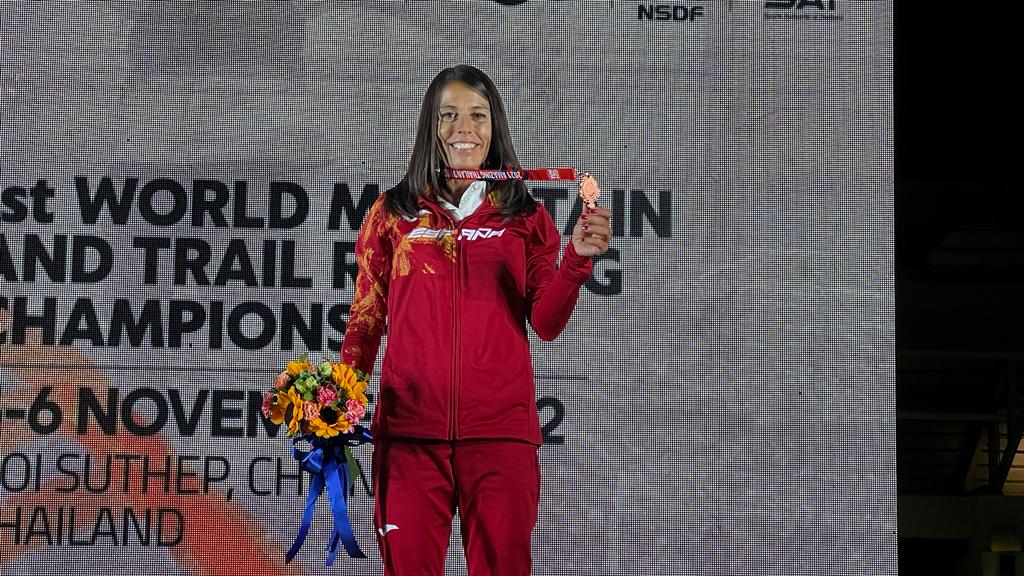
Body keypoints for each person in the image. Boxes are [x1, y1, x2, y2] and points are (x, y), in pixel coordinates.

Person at [340, 64, 611, 576]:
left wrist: (575, 261)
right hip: (409, 438)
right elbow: (366, 318)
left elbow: (547, 323)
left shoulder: (524, 216)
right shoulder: (392, 214)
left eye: (477, 115)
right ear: (429, 128)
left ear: (495, 126)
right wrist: (339, 405)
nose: (463, 128)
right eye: (448, 115)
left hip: (501, 438)